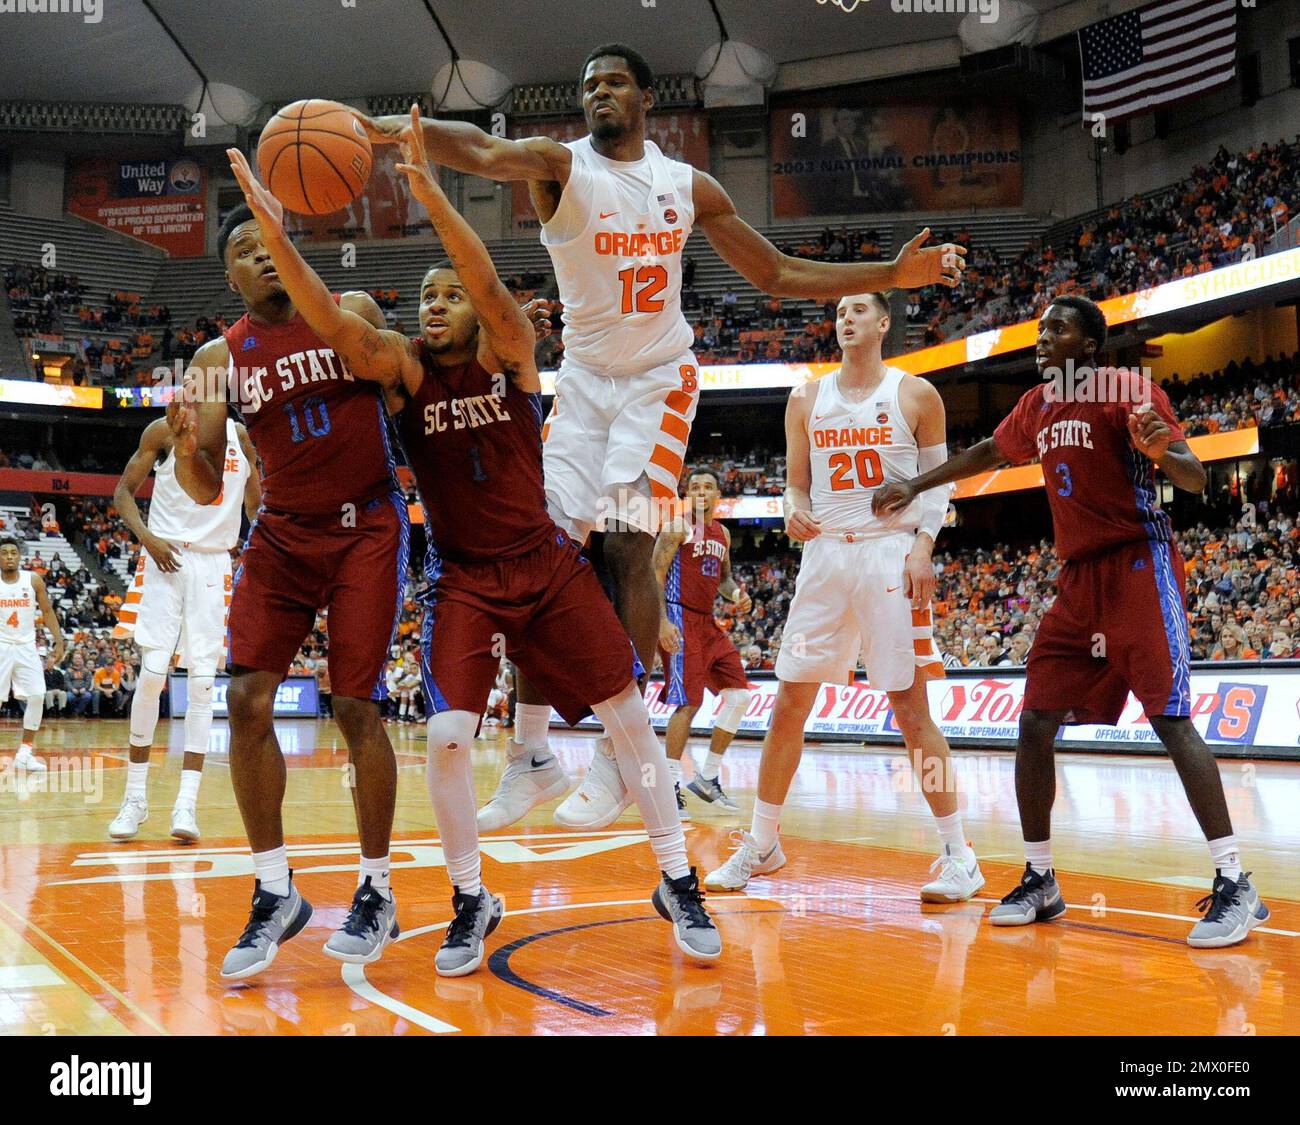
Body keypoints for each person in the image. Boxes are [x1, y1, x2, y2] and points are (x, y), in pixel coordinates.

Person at [356, 44, 965, 833]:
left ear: (646, 97)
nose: (598, 92)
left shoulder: (688, 186)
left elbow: (774, 273)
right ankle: (532, 752)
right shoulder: (558, 166)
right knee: (536, 551)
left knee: (622, 545)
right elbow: (480, 148)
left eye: (613, 81)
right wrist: (384, 131)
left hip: (656, 380)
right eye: (586, 85)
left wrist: (888, 274)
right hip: (580, 381)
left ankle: (616, 759)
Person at [226, 118, 721, 969]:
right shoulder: (406, 372)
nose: (436, 303)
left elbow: (493, 287)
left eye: (448, 293)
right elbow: (332, 326)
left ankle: (677, 877)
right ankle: (469, 896)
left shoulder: (513, 359)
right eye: (426, 296)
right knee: (450, 735)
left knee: (630, 718)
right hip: (465, 581)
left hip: (547, 566)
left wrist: (432, 200)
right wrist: (276, 233)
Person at [873, 294, 1270, 948]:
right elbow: (987, 453)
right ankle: (1040, 876)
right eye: (1041, 327)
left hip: (1138, 565)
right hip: (1078, 580)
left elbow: (1195, 477)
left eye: (1058, 328)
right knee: (1034, 720)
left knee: (1172, 719)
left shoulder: (1127, 392)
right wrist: (917, 486)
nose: (1043, 336)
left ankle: (1235, 879)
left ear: (1089, 346)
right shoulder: (1038, 406)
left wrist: (1163, 452)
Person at [164, 202, 409, 980]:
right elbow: (206, 487)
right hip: (285, 532)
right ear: (228, 274)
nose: (263, 257)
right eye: (245, 249)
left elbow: (404, 391)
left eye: (273, 242)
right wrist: (181, 451)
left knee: (356, 706)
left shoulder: (352, 312)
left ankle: (377, 888)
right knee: (245, 701)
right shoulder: (216, 358)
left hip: (367, 523)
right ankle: (275, 890)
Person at [704, 292, 985, 904]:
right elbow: (796, 486)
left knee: (911, 712)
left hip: (889, 556)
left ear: (884, 323)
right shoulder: (806, 398)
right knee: (787, 706)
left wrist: (923, 547)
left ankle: (959, 855)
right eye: (840, 312)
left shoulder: (917, 394)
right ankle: (764, 842)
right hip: (826, 558)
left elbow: (939, 485)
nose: (846, 319)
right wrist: (795, 513)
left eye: (860, 310)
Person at [107, 414, 258, 844]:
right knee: (153, 676)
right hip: (164, 557)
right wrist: (148, 538)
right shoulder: (162, 431)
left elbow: (255, 501)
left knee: (203, 686)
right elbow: (122, 493)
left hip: (213, 564)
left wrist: (259, 543)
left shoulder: (239, 437)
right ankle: (134, 799)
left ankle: (186, 804)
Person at [653, 468, 752, 817]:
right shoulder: (677, 527)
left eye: (708, 487)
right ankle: (667, 787)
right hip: (679, 618)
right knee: (687, 704)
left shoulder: (722, 533)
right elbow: (655, 574)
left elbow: (723, 580)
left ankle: (707, 777)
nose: (701, 492)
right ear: (686, 495)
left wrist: (738, 594)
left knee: (739, 696)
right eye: (694, 487)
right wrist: (661, 621)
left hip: (708, 622)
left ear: (717, 495)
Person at [0, 538, 65, 772]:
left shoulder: (33, 579)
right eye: (4, 553)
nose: (9, 556)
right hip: (1, 645)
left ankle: (25, 754)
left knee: (38, 695)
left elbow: (47, 611)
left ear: (19, 556)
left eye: (13, 553)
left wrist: (58, 640)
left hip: (27, 646)